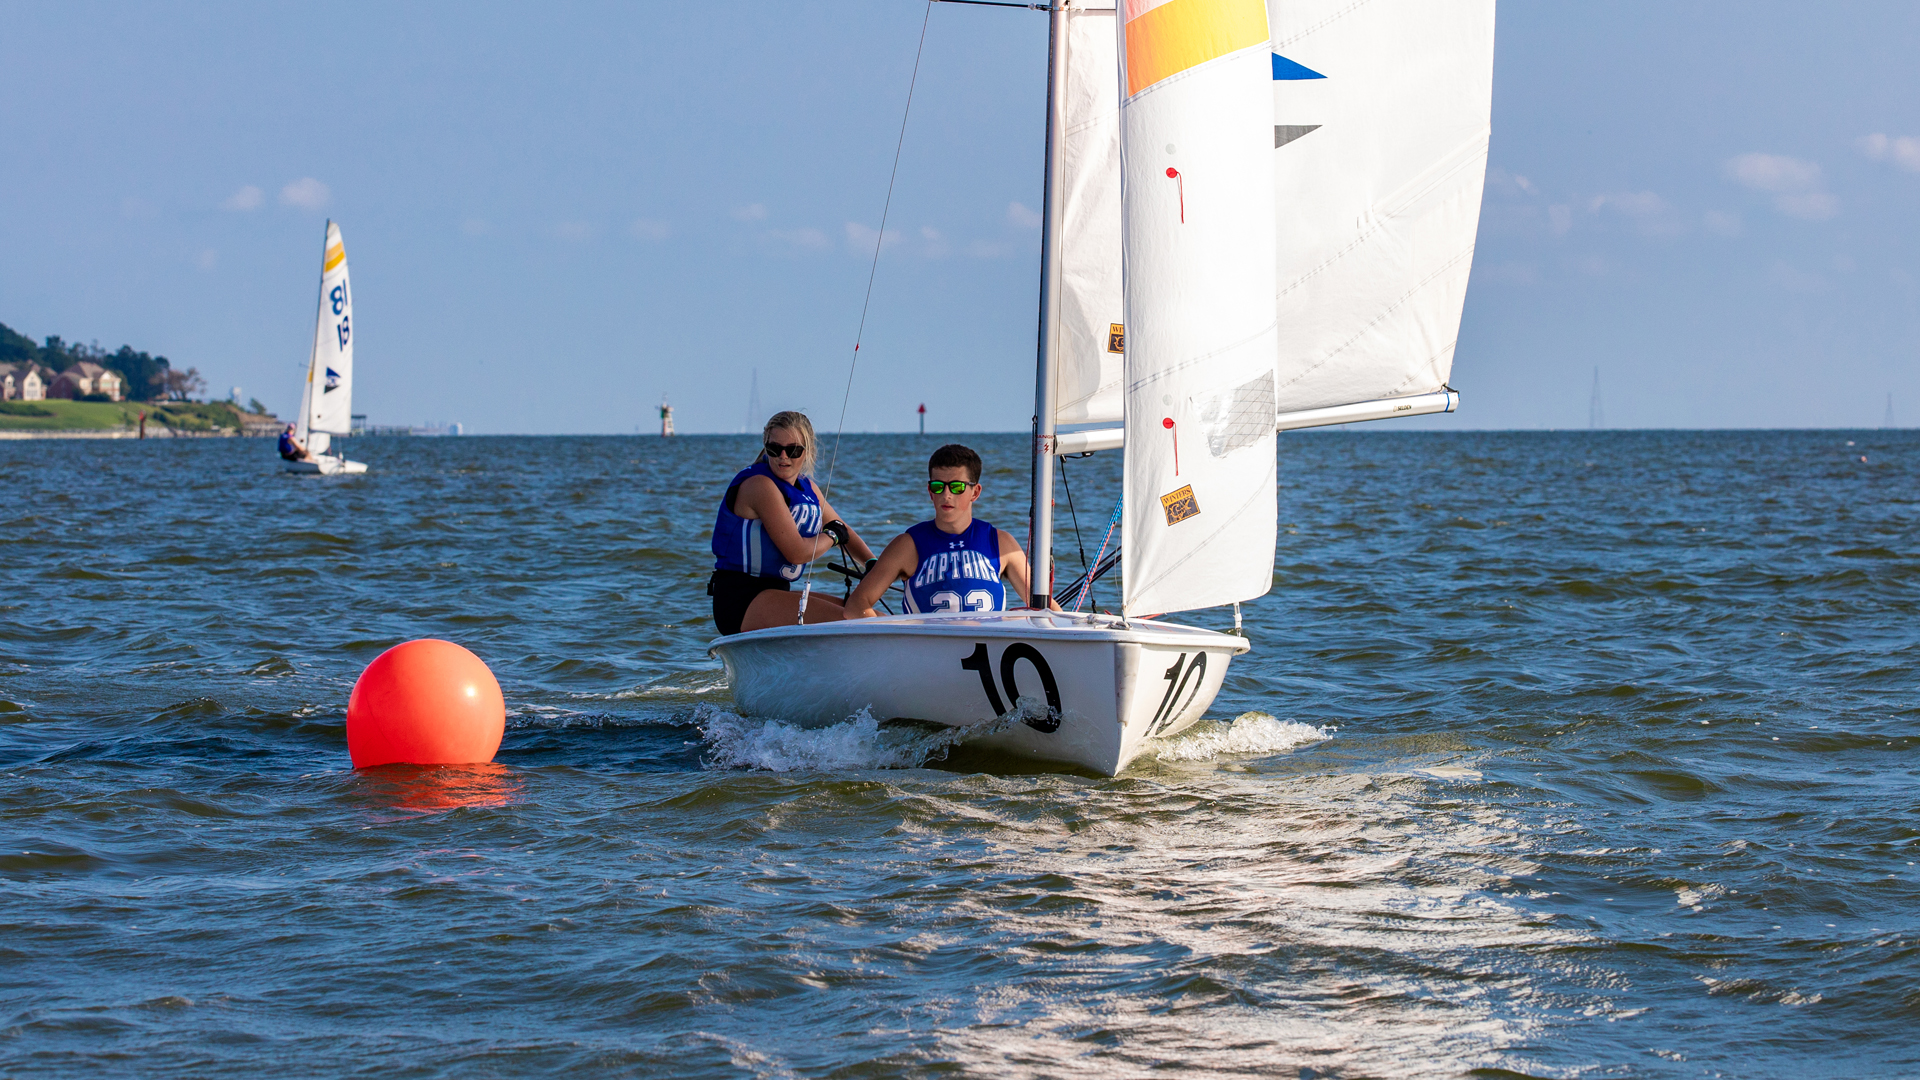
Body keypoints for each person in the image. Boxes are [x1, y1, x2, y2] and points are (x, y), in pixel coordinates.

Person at [709, 411, 876, 635]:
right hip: (741, 600)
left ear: (807, 451)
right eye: (774, 449)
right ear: (765, 447)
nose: (783, 457)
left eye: (793, 450)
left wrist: (873, 564)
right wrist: (832, 536)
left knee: (868, 614)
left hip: (776, 593)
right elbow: (797, 553)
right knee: (857, 621)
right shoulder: (759, 486)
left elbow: (842, 526)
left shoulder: (808, 487)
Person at [843, 443, 1050, 619]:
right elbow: (856, 606)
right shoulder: (908, 545)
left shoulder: (1001, 543)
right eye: (938, 486)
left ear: (975, 492)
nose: (947, 495)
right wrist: (901, 635)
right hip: (927, 654)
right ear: (929, 491)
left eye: (957, 487)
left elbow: (1044, 607)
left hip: (990, 651)